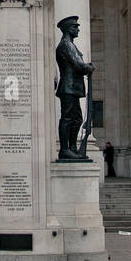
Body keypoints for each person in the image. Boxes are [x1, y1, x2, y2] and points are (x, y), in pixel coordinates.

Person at [54, 16, 95, 161]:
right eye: (74, 27)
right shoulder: (66, 45)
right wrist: (89, 67)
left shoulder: (70, 44)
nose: (77, 29)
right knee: (68, 118)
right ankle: (65, 149)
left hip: (73, 88)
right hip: (68, 88)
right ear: (67, 29)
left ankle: (72, 148)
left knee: (76, 118)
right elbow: (79, 65)